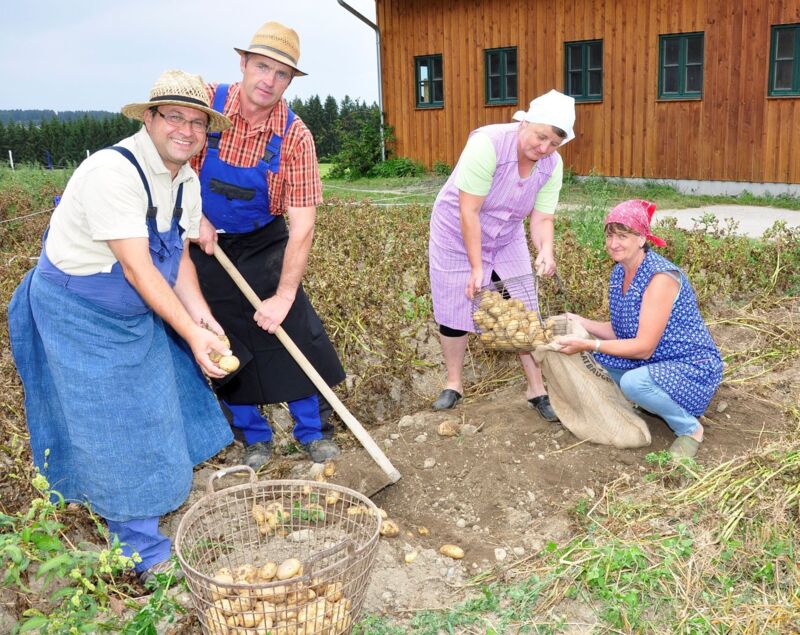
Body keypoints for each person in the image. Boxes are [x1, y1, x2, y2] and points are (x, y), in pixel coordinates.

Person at [7, 70, 235, 582]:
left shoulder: (186, 180)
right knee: (111, 425)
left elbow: (175, 261)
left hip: (135, 310)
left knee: (157, 406)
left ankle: (152, 502)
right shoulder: (113, 171)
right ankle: (137, 549)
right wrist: (191, 335)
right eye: (174, 116)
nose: (186, 129)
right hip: (79, 314)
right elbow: (137, 267)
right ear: (149, 118)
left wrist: (201, 317)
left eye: (198, 122)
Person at [189, 21, 345, 469]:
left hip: (264, 240)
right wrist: (190, 211)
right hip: (204, 244)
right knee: (222, 339)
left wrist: (284, 295)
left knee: (291, 329)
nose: (268, 81)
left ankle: (313, 432)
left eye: (281, 74)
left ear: (291, 80)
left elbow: (302, 227)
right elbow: (165, 157)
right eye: (261, 67)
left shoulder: (295, 137)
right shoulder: (204, 102)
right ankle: (254, 438)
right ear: (243, 63)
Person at [428, 89, 576, 421]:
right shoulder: (488, 144)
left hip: (506, 234)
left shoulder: (551, 165)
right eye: (540, 137)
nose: (544, 148)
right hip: (456, 230)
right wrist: (478, 266)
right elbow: (470, 211)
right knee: (454, 305)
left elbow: (542, 218)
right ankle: (453, 383)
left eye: (553, 143)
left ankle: (536, 388)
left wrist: (546, 250)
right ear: (524, 121)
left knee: (521, 306)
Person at [554, 199, 723, 459]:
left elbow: (643, 347)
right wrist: (578, 321)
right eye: (610, 236)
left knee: (633, 382)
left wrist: (589, 342)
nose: (613, 244)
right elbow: (622, 331)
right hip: (655, 362)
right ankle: (647, 401)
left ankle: (689, 428)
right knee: (594, 361)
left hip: (690, 367)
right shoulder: (619, 272)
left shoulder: (660, 278)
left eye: (623, 236)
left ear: (642, 238)